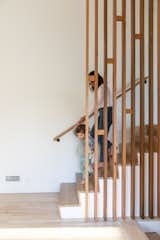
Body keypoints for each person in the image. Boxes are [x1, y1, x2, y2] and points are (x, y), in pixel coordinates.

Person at [88, 71, 112, 164]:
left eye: (92, 80)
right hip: (103, 112)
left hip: (107, 111)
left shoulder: (102, 88)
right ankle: (110, 145)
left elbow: (97, 103)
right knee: (93, 133)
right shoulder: (100, 89)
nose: (91, 83)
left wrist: (85, 116)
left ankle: (103, 161)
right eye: (90, 81)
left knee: (101, 136)